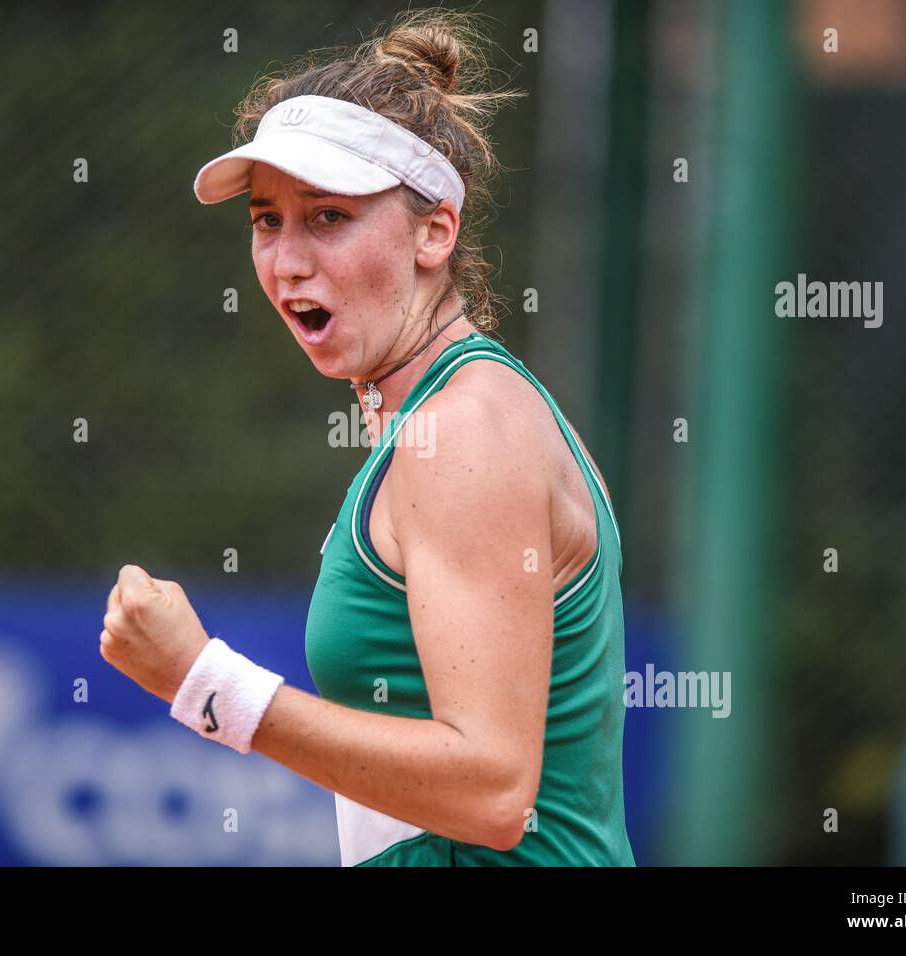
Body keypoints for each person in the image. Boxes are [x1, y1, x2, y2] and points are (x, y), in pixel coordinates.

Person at [99, 9, 634, 867]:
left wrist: (205, 683)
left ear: (435, 232)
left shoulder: (463, 433)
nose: (286, 261)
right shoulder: (442, 413)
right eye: (267, 220)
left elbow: (493, 792)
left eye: (329, 217)